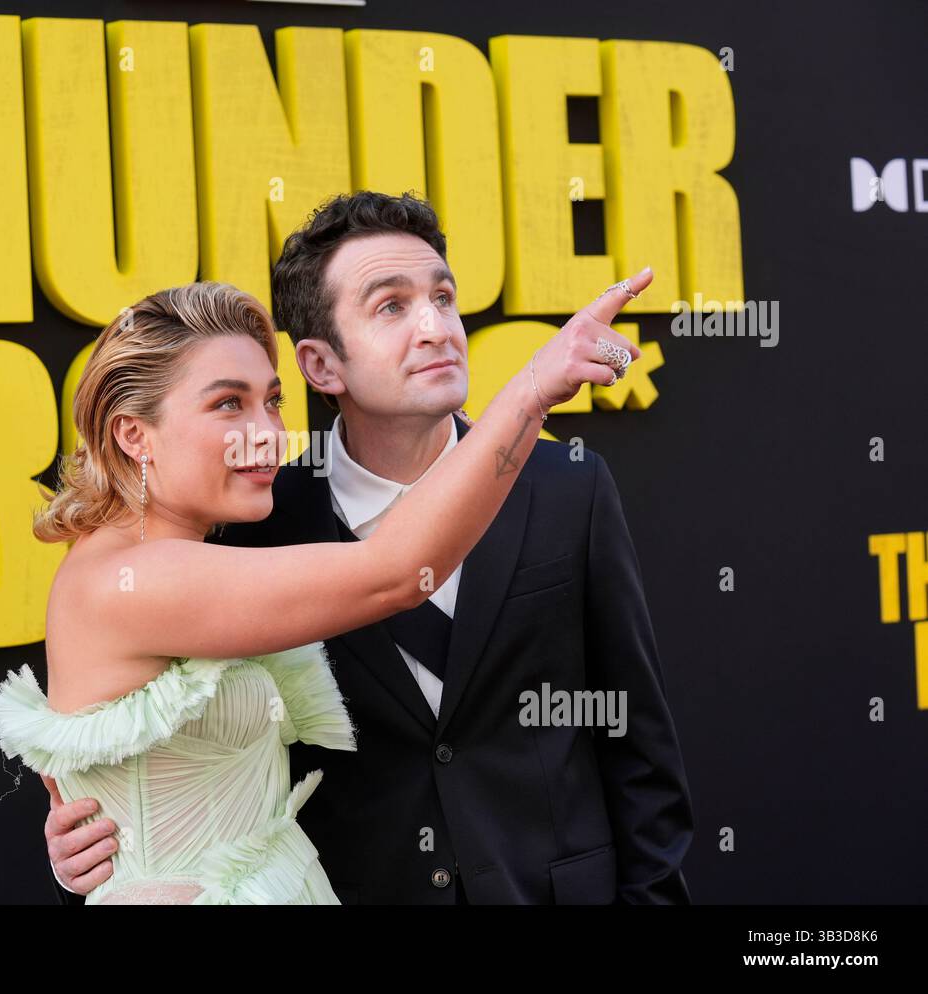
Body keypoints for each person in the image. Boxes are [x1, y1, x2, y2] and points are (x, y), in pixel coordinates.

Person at [42, 192, 692, 906]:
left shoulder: (569, 487)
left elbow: (636, 736)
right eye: (391, 306)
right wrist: (533, 387)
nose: (435, 327)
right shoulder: (255, 522)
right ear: (323, 364)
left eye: (444, 298)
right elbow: (396, 573)